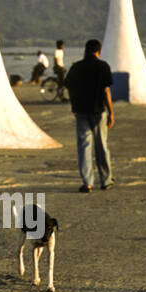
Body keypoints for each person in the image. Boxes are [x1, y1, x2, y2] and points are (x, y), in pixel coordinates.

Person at [63, 38, 115, 193]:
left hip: (81, 112)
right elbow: (106, 91)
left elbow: (70, 88)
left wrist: (74, 106)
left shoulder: (76, 67)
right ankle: (105, 180)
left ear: (85, 50)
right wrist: (111, 112)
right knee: (101, 146)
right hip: (99, 111)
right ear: (98, 51)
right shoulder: (103, 66)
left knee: (84, 147)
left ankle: (87, 182)